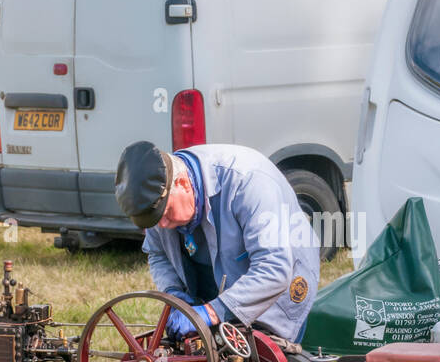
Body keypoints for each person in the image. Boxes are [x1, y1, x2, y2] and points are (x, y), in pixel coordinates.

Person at [114, 141, 321, 342]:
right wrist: (174, 292)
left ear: (183, 184)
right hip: (217, 281)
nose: (163, 225)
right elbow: (157, 253)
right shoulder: (158, 199)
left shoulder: (248, 182)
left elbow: (274, 268)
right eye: (156, 221)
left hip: (277, 287)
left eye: (167, 214)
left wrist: (212, 312)